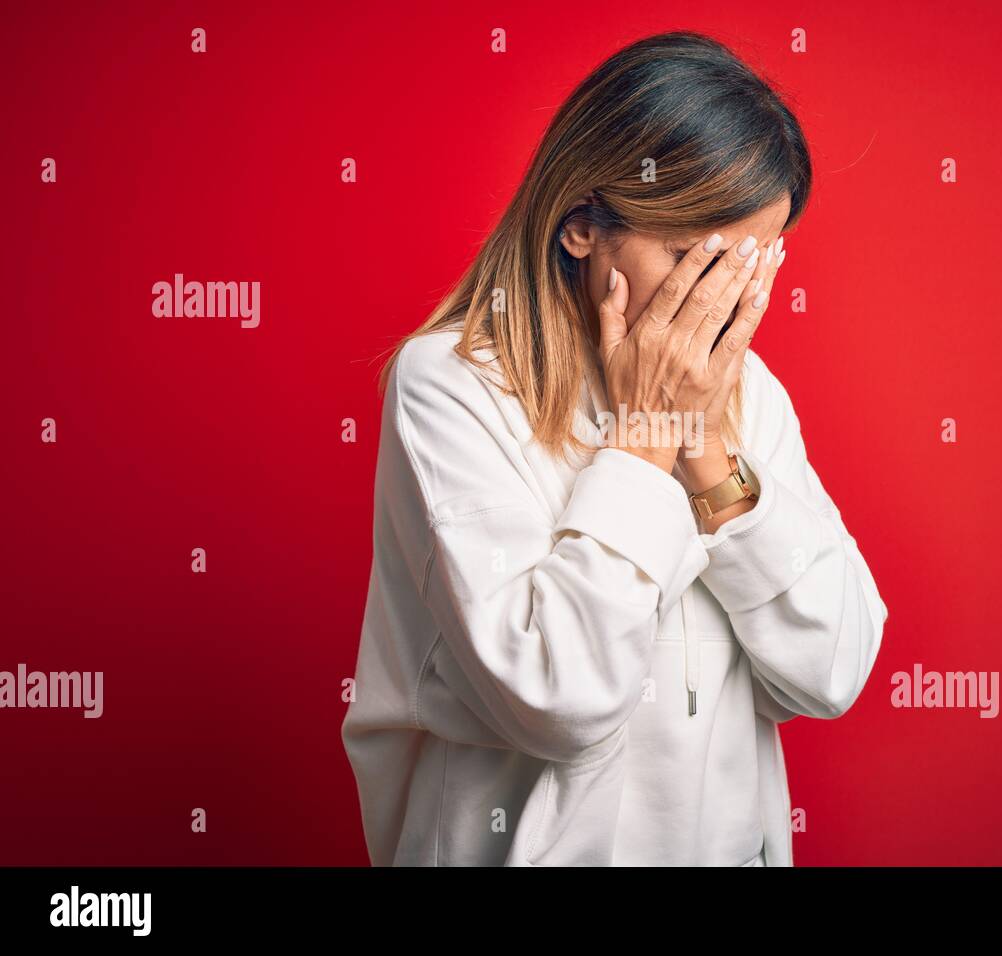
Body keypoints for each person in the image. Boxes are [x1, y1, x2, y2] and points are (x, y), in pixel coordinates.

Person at [341, 30, 888, 866]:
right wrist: (643, 441)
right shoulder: (448, 387)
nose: (722, 302)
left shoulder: (747, 392)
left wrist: (704, 449)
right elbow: (558, 698)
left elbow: (831, 670)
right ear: (581, 226)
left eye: (747, 263)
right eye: (687, 256)